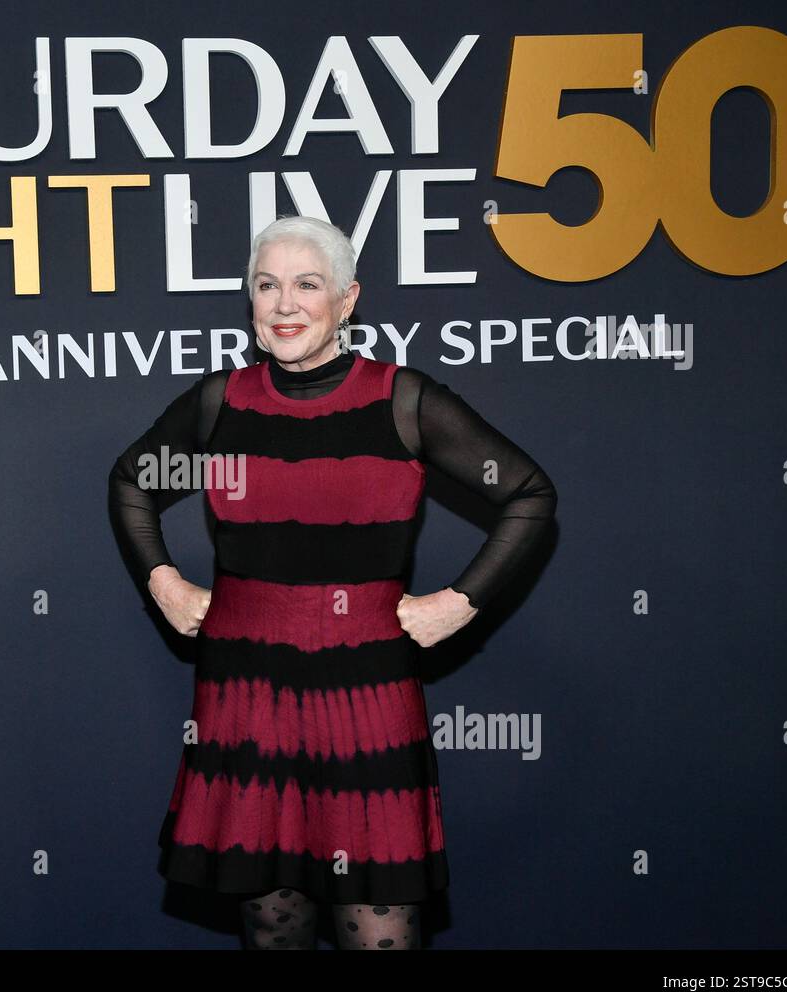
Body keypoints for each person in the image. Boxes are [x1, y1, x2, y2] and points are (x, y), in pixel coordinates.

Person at [108, 215, 558, 949]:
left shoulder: (402, 401)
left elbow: (530, 494)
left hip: (368, 692)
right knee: (272, 925)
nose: (285, 304)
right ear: (250, 302)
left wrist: (459, 602)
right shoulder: (222, 401)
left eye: (307, 285)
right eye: (267, 285)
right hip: (247, 692)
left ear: (348, 301)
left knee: (379, 926)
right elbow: (132, 480)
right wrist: (166, 583)